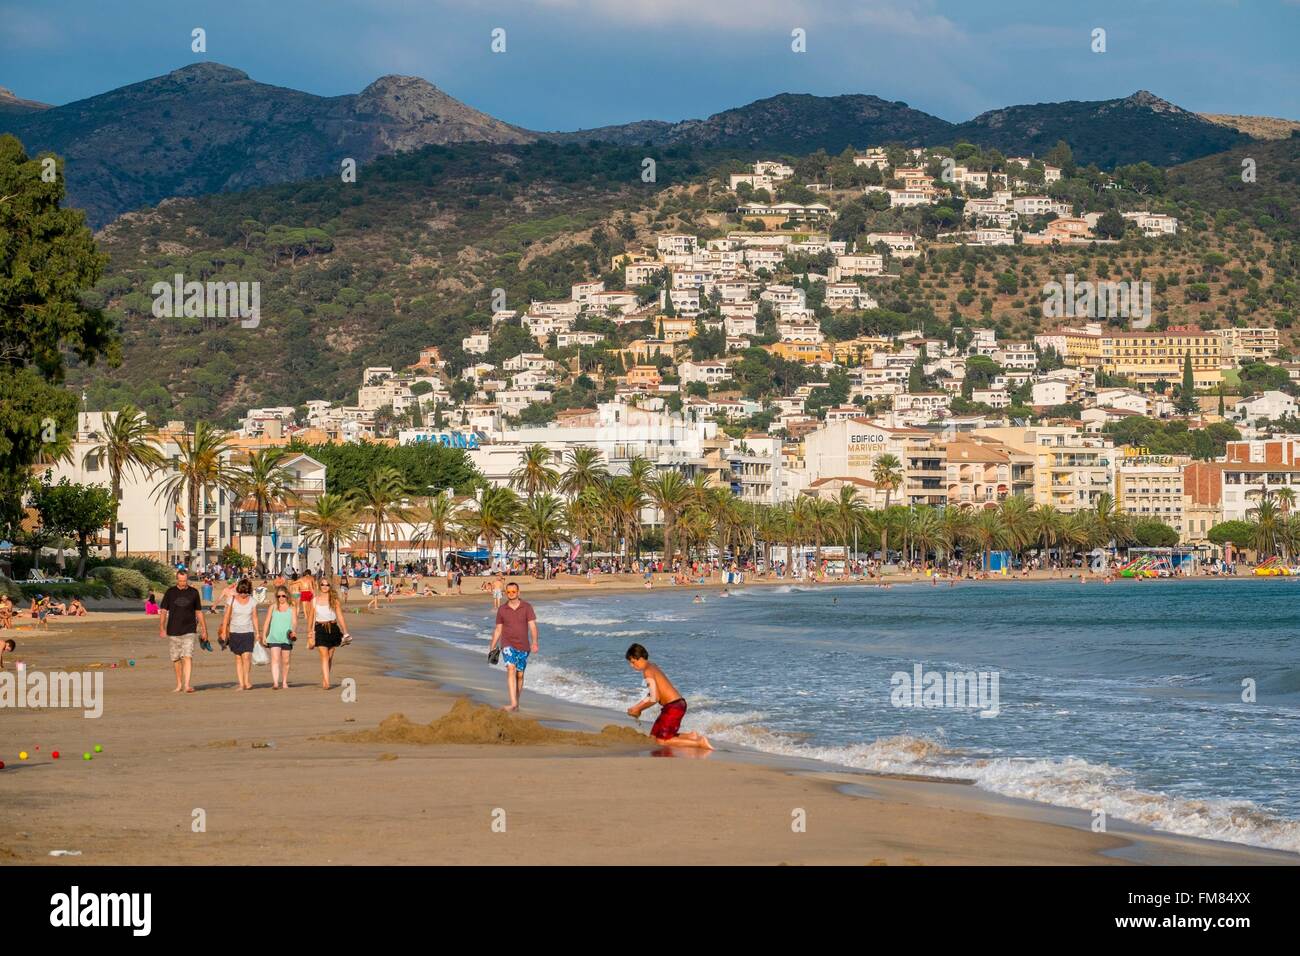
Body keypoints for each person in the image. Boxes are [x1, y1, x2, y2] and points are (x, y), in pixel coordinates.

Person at [624, 643, 712, 750]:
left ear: (641, 658)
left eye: (633, 662)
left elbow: (654, 698)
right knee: (653, 738)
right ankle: (691, 736)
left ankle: (699, 743)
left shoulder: (647, 671)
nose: (632, 666)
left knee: (662, 741)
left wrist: (638, 709)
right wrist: (637, 707)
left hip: (674, 707)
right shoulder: (652, 666)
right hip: (673, 706)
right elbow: (653, 693)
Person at [487, 582, 538, 712]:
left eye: (513, 592)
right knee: (511, 668)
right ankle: (513, 703)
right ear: (505, 594)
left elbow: (532, 627)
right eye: (508, 592)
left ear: (518, 592)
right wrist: (492, 646)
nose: (511, 594)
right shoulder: (502, 610)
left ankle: (517, 702)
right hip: (507, 644)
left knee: (520, 675)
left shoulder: (527, 607)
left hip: (524, 646)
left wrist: (534, 642)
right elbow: (498, 629)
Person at [159, 569, 209, 693]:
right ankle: (179, 684)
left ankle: (187, 685)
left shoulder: (194, 592)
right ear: (177, 579)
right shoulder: (170, 592)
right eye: (181, 581)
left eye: (185, 581)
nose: (183, 583)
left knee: (187, 656)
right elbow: (164, 611)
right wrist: (161, 627)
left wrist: (204, 629)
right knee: (176, 659)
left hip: (189, 630)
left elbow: (198, 612)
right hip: (173, 630)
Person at [305, 578, 350, 690]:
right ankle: (326, 682)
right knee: (324, 655)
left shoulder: (334, 600)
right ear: (319, 586)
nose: (325, 587)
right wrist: (309, 632)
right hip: (320, 628)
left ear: (330, 586)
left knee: (329, 657)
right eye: (323, 585)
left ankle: (325, 677)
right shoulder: (314, 600)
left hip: (333, 629)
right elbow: (311, 617)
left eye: (327, 585)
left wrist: (345, 632)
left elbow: (340, 616)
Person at [219, 578, 259, 691]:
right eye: (241, 592)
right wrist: (223, 632)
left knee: (246, 657)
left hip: (248, 631)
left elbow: (255, 617)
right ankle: (241, 684)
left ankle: (247, 681)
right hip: (234, 632)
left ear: (249, 591)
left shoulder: (252, 601)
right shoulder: (231, 599)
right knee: (238, 658)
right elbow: (226, 616)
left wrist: (257, 632)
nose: (243, 595)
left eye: (245, 593)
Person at [261, 587, 297, 690]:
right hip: (273, 637)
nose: (281, 598)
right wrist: (264, 635)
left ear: (287, 596)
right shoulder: (273, 607)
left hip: (287, 637)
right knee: (275, 659)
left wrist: (293, 631)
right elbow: (267, 621)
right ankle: (276, 683)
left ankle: (284, 682)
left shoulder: (292, 607)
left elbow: (294, 621)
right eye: (279, 596)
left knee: (285, 661)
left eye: (283, 596)